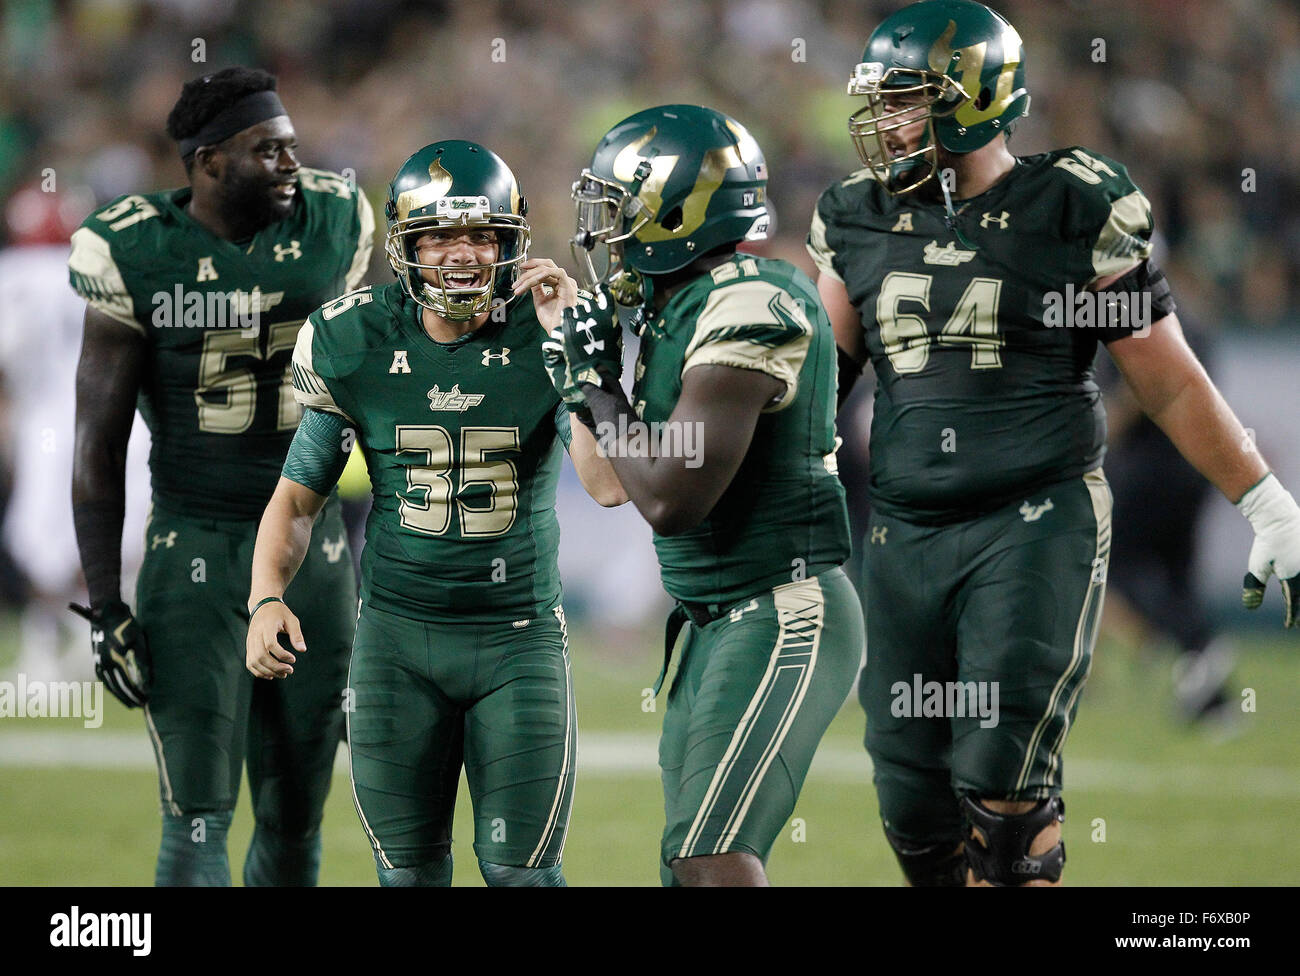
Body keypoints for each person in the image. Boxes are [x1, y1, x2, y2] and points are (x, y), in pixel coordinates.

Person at [808, 0, 1300, 887]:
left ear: (975, 99)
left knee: (1004, 791)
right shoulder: (855, 216)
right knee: (911, 797)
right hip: (905, 532)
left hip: (1034, 518)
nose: (886, 120)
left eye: (909, 98)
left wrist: (1262, 496)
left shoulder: (1069, 203)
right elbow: (821, 395)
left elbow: (1169, 376)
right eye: (883, 99)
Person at [246, 140, 625, 887]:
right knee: (409, 876)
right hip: (395, 642)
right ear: (405, 244)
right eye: (440, 235)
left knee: (523, 875)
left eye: (481, 234)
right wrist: (264, 596)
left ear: (511, 239)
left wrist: (572, 353)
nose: (462, 254)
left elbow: (609, 485)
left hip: (518, 643)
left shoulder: (555, 329)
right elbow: (297, 498)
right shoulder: (354, 338)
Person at [68, 66, 372, 886]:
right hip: (193, 548)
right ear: (206, 162)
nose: (290, 166)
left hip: (311, 553)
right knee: (198, 821)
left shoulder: (333, 220)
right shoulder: (134, 248)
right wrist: (105, 601)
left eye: (294, 149)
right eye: (267, 150)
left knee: (295, 819)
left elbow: (380, 388)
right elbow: (95, 445)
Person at [555, 104, 864, 887]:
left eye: (621, 211)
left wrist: (598, 387)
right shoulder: (677, 310)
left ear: (677, 210)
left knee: (714, 855)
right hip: (710, 624)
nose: (606, 234)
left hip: (781, 608)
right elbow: (608, 483)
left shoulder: (753, 301)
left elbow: (671, 500)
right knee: (686, 867)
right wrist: (569, 372)